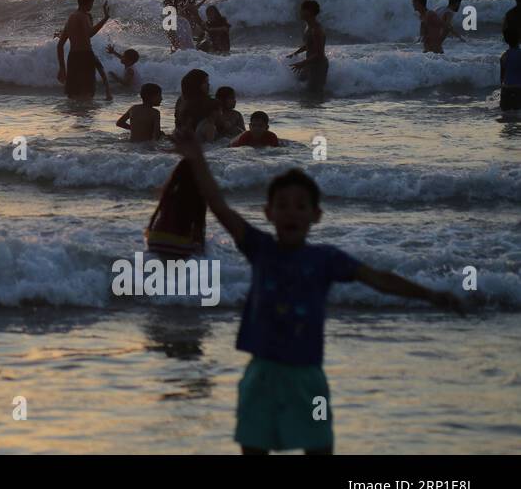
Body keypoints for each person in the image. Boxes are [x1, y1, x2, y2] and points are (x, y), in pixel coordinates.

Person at [171, 132, 462, 454]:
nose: (291, 212)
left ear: (316, 215)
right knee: (254, 448)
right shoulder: (261, 249)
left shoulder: (325, 259)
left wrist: (431, 294)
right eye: (282, 205)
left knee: (319, 448)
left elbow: (379, 278)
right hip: (262, 375)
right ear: (269, 214)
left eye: (300, 206)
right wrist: (197, 158)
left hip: (308, 378)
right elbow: (218, 205)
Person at [55, 0, 112, 100]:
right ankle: (85, 116)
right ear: (88, 2)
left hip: (72, 58)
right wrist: (105, 19)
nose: (91, 5)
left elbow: (60, 45)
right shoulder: (83, 16)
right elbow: (89, 33)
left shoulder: (71, 17)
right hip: (85, 56)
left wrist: (62, 67)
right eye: (92, 3)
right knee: (87, 94)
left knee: (73, 95)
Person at [289, 0, 328, 95]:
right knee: (305, 93)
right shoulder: (308, 27)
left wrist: (302, 63)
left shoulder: (316, 30)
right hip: (310, 63)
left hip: (318, 65)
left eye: (302, 10)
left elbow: (319, 54)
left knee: (315, 94)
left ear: (308, 12)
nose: (300, 12)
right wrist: (296, 53)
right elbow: (309, 44)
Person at [174, 68, 217, 141]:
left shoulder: (181, 99)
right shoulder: (204, 102)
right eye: (205, 82)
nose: (208, 85)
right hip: (198, 138)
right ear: (196, 84)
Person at [501, 29, 521, 113]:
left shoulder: (504, 56)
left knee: (507, 116)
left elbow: (502, 77)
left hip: (506, 89)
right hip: (518, 89)